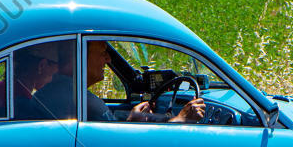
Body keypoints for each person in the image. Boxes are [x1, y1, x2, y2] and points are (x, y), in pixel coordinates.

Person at [38, 39, 204, 123]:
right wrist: (180, 119)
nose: (108, 58)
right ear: (79, 56)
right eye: (103, 52)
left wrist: (132, 119)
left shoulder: (51, 92)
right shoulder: (86, 102)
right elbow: (118, 145)